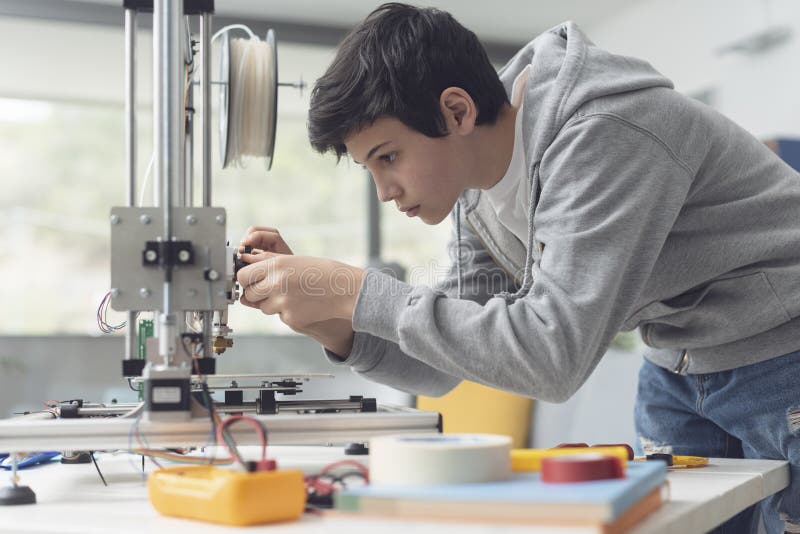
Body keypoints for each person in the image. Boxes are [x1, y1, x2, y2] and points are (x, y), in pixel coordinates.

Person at [236, 4, 800, 532]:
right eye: (369, 168)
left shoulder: (605, 130)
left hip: (782, 352)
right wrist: (332, 319)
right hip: (674, 365)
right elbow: (447, 361)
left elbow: (551, 358)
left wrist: (357, 291)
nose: (384, 191)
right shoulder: (477, 190)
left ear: (456, 111)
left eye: (388, 156)